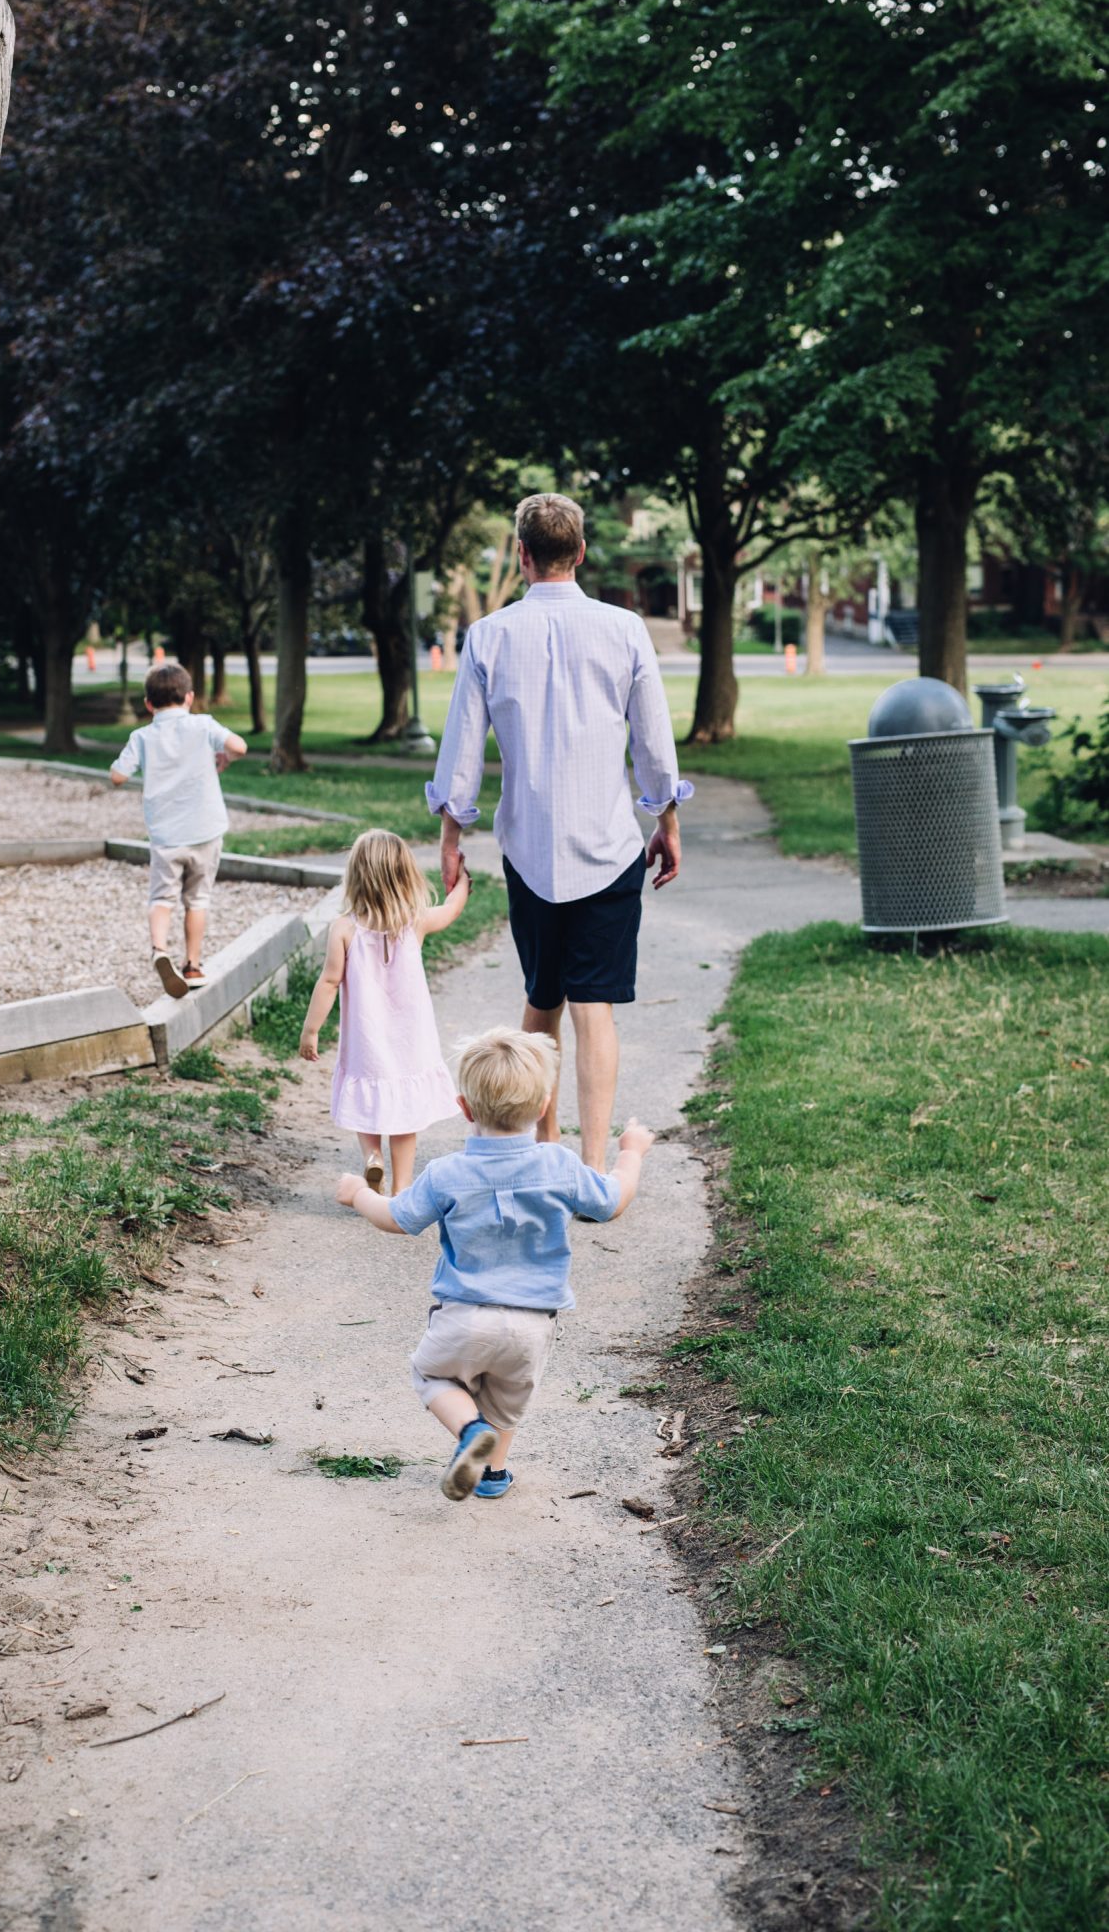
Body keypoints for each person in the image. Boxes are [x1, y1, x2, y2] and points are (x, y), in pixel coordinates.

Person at [428, 491, 692, 1169]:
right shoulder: (624, 628)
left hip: (528, 849)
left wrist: (452, 835)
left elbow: (462, 746)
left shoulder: (488, 635)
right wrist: (665, 818)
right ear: (578, 553)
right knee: (593, 1006)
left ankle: (532, 1155)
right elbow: (654, 743)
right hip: (607, 847)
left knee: (541, 997)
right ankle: (594, 1167)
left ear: (521, 556)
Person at [337, 1026, 653, 1501]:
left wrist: (360, 1194)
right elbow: (612, 1202)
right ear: (544, 1106)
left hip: (464, 1317)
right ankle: (491, 1475)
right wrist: (630, 1153)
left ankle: (468, 1432)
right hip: (532, 1325)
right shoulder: (559, 1164)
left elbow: (398, 1218)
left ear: (463, 1108)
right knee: (503, 1409)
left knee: (433, 1376)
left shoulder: (447, 1173)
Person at [301, 829, 468, 1193]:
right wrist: (462, 881)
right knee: (405, 1115)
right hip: (411, 1040)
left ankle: (373, 1158)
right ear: (404, 875)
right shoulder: (415, 921)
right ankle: (402, 1188)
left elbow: (328, 982)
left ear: (356, 876)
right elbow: (453, 910)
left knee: (368, 1100)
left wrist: (311, 1030)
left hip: (366, 1039)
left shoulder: (344, 928)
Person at [109, 661, 247, 997]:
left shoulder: (141, 736)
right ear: (190, 697)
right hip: (205, 830)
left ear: (148, 704)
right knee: (198, 899)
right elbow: (239, 746)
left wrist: (120, 766)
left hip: (167, 836)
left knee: (162, 897)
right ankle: (193, 965)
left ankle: (159, 950)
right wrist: (225, 758)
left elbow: (118, 776)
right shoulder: (203, 725)